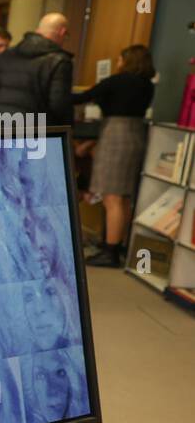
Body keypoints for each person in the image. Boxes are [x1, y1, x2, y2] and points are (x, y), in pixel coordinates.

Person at [73, 44, 155, 267]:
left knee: (112, 196)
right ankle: (116, 243)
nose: (117, 63)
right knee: (124, 196)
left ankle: (109, 251)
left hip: (116, 135)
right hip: (136, 135)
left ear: (127, 61)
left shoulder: (118, 81)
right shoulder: (147, 85)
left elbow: (84, 97)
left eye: (120, 59)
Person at [0, 13, 74, 128]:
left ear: (38, 30)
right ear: (62, 32)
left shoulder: (10, 53)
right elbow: (59, 105)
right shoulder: (59, 61)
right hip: (33, 128)